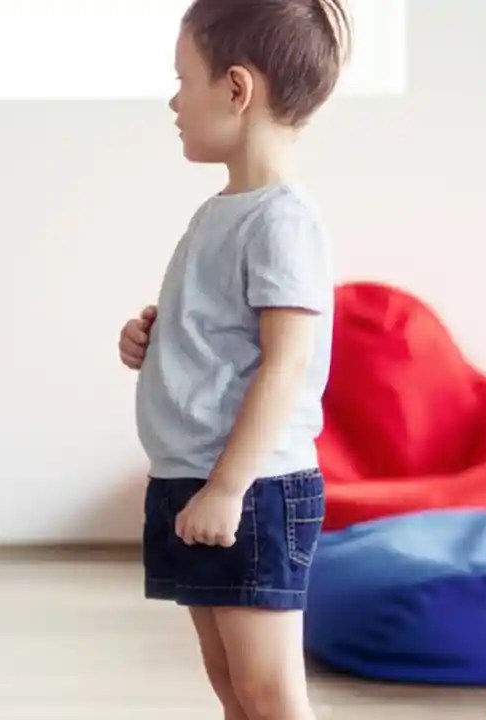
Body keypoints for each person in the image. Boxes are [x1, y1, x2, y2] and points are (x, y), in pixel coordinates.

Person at [117, 2, 350, 718]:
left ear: (237, 89)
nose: (173, 101)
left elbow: (285, 366)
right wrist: (154, 342)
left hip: (251, 490)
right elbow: (226, 340)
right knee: (232, 687)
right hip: (197, 478)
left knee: (269, 691)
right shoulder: (226, 209)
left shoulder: (282, 220)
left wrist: (226, 488)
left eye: (183, 80)